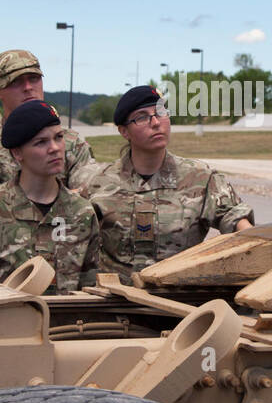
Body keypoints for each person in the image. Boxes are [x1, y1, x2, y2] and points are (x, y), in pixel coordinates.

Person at [79, 85, 253, 281]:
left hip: (180, 301)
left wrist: (253, 244)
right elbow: (78, 246)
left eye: (161, 113)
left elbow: (236, 219)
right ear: (124, 131)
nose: (155, 123)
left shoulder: (200, 177)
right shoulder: (99, 183)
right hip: (115, 303)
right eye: (142, 117)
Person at [0, 100, 99, 292]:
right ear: (17, 152)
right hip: (5, 318)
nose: (55, 148)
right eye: (41, 142)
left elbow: (90, 286)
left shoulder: (82, 212)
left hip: (67, 320)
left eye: (58, 137)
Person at [0, 49, 95, 188]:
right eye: (15, 82)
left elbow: (87, 195)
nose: (28, 87)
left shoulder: (73, 143)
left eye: (34, 78)